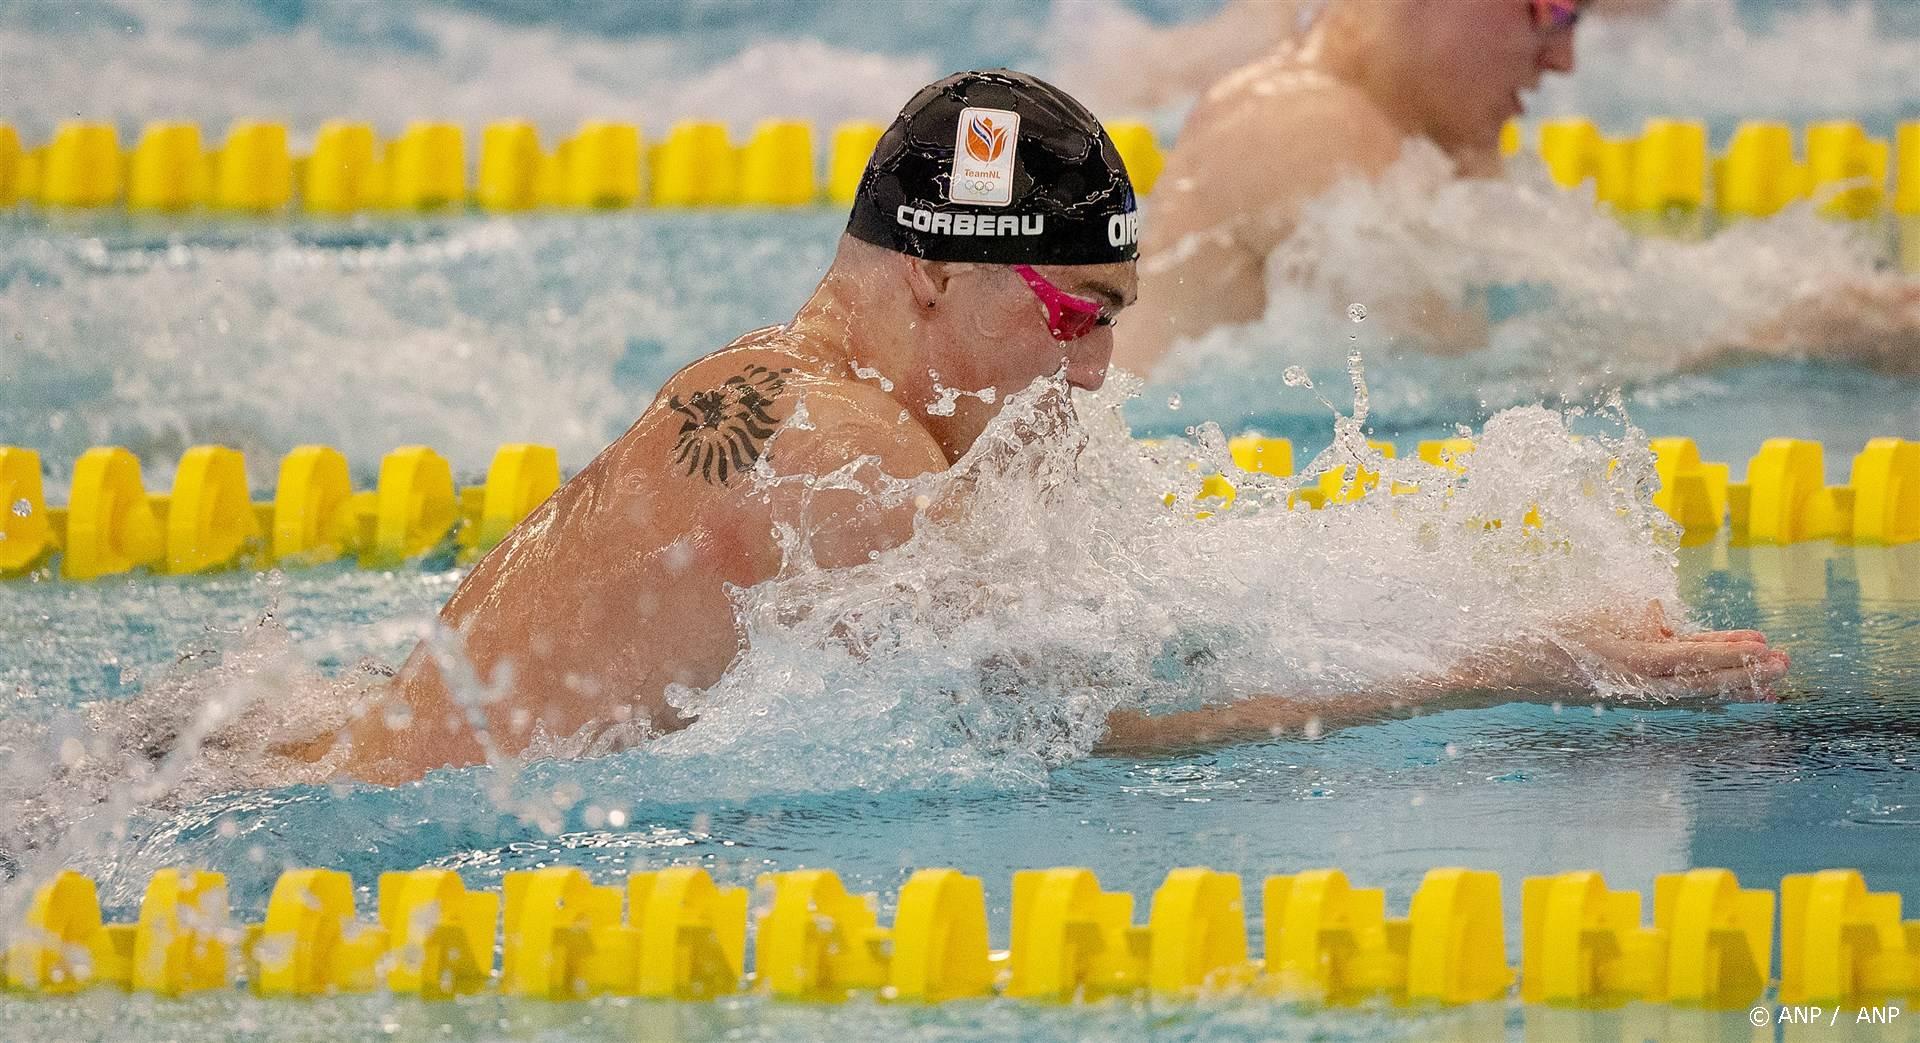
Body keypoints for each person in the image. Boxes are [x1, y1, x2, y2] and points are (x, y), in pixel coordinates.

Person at [327, 68, 1786, 784]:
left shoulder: (783, 392)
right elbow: (1080, 736)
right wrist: (1488, 671)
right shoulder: (840, 444)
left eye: (1115, 320)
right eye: (1073, 314)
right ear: (928, 273)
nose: (1093, 374)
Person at [1114, 0, 1589, 373]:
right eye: (1555, 8)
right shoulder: (1301, 124)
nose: (1564, 59)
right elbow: (1454, 372)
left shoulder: (1420, 132)